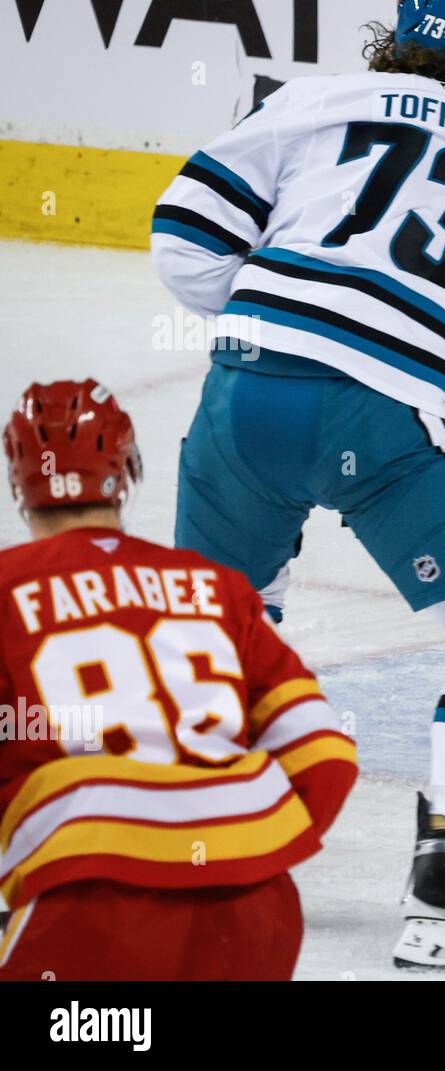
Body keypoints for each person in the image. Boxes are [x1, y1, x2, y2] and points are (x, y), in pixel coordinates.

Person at [150, 0, 445, 971]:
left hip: (240, 390)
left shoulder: (316, 97)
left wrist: (266, 329)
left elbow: (183, 243)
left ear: (392, 40)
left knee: (222, 615)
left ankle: (167, 861)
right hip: (379, 412)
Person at [0, 379, 356, 980]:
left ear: (18, 483)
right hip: (254, 909)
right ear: (128, 471)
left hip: (92, 901)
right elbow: (321, 750)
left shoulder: (9, 588)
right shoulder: (214, 588)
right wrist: (248, 849)